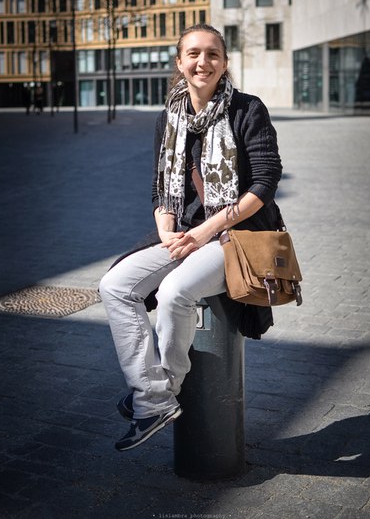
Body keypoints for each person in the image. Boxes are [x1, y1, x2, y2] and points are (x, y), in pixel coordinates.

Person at [99, 23, 282, 452]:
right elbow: (161, 187)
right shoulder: (170, 117)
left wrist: (203, 232)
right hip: (185, 233)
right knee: (115, 285)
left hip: (237, 236)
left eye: (213, 54)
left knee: (175, 292)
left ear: (225, 62)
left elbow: (265, 183)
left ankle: (156, 397)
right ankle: (154, 395)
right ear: (180, 62)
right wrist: (165, 224)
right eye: (194, 54)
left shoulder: (247, 109)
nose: (204, 62)